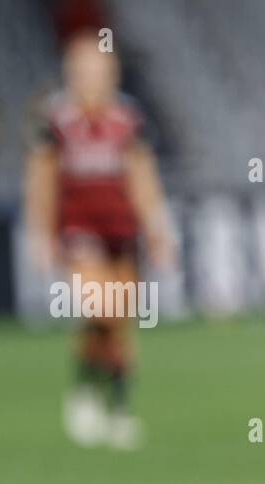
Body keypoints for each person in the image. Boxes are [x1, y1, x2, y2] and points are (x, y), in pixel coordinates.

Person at [25, 31, 174, 450]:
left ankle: (111, 404)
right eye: (85, 70)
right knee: (101, 307)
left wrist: (157, 228)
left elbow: (142, 177)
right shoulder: (55, 120)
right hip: (79, 230)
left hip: (122, 230)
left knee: (120, 323)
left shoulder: (128, 118)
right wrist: (40, 234)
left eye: (101, 70)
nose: (93, 78)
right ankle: (94, 400)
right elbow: (42, 180)